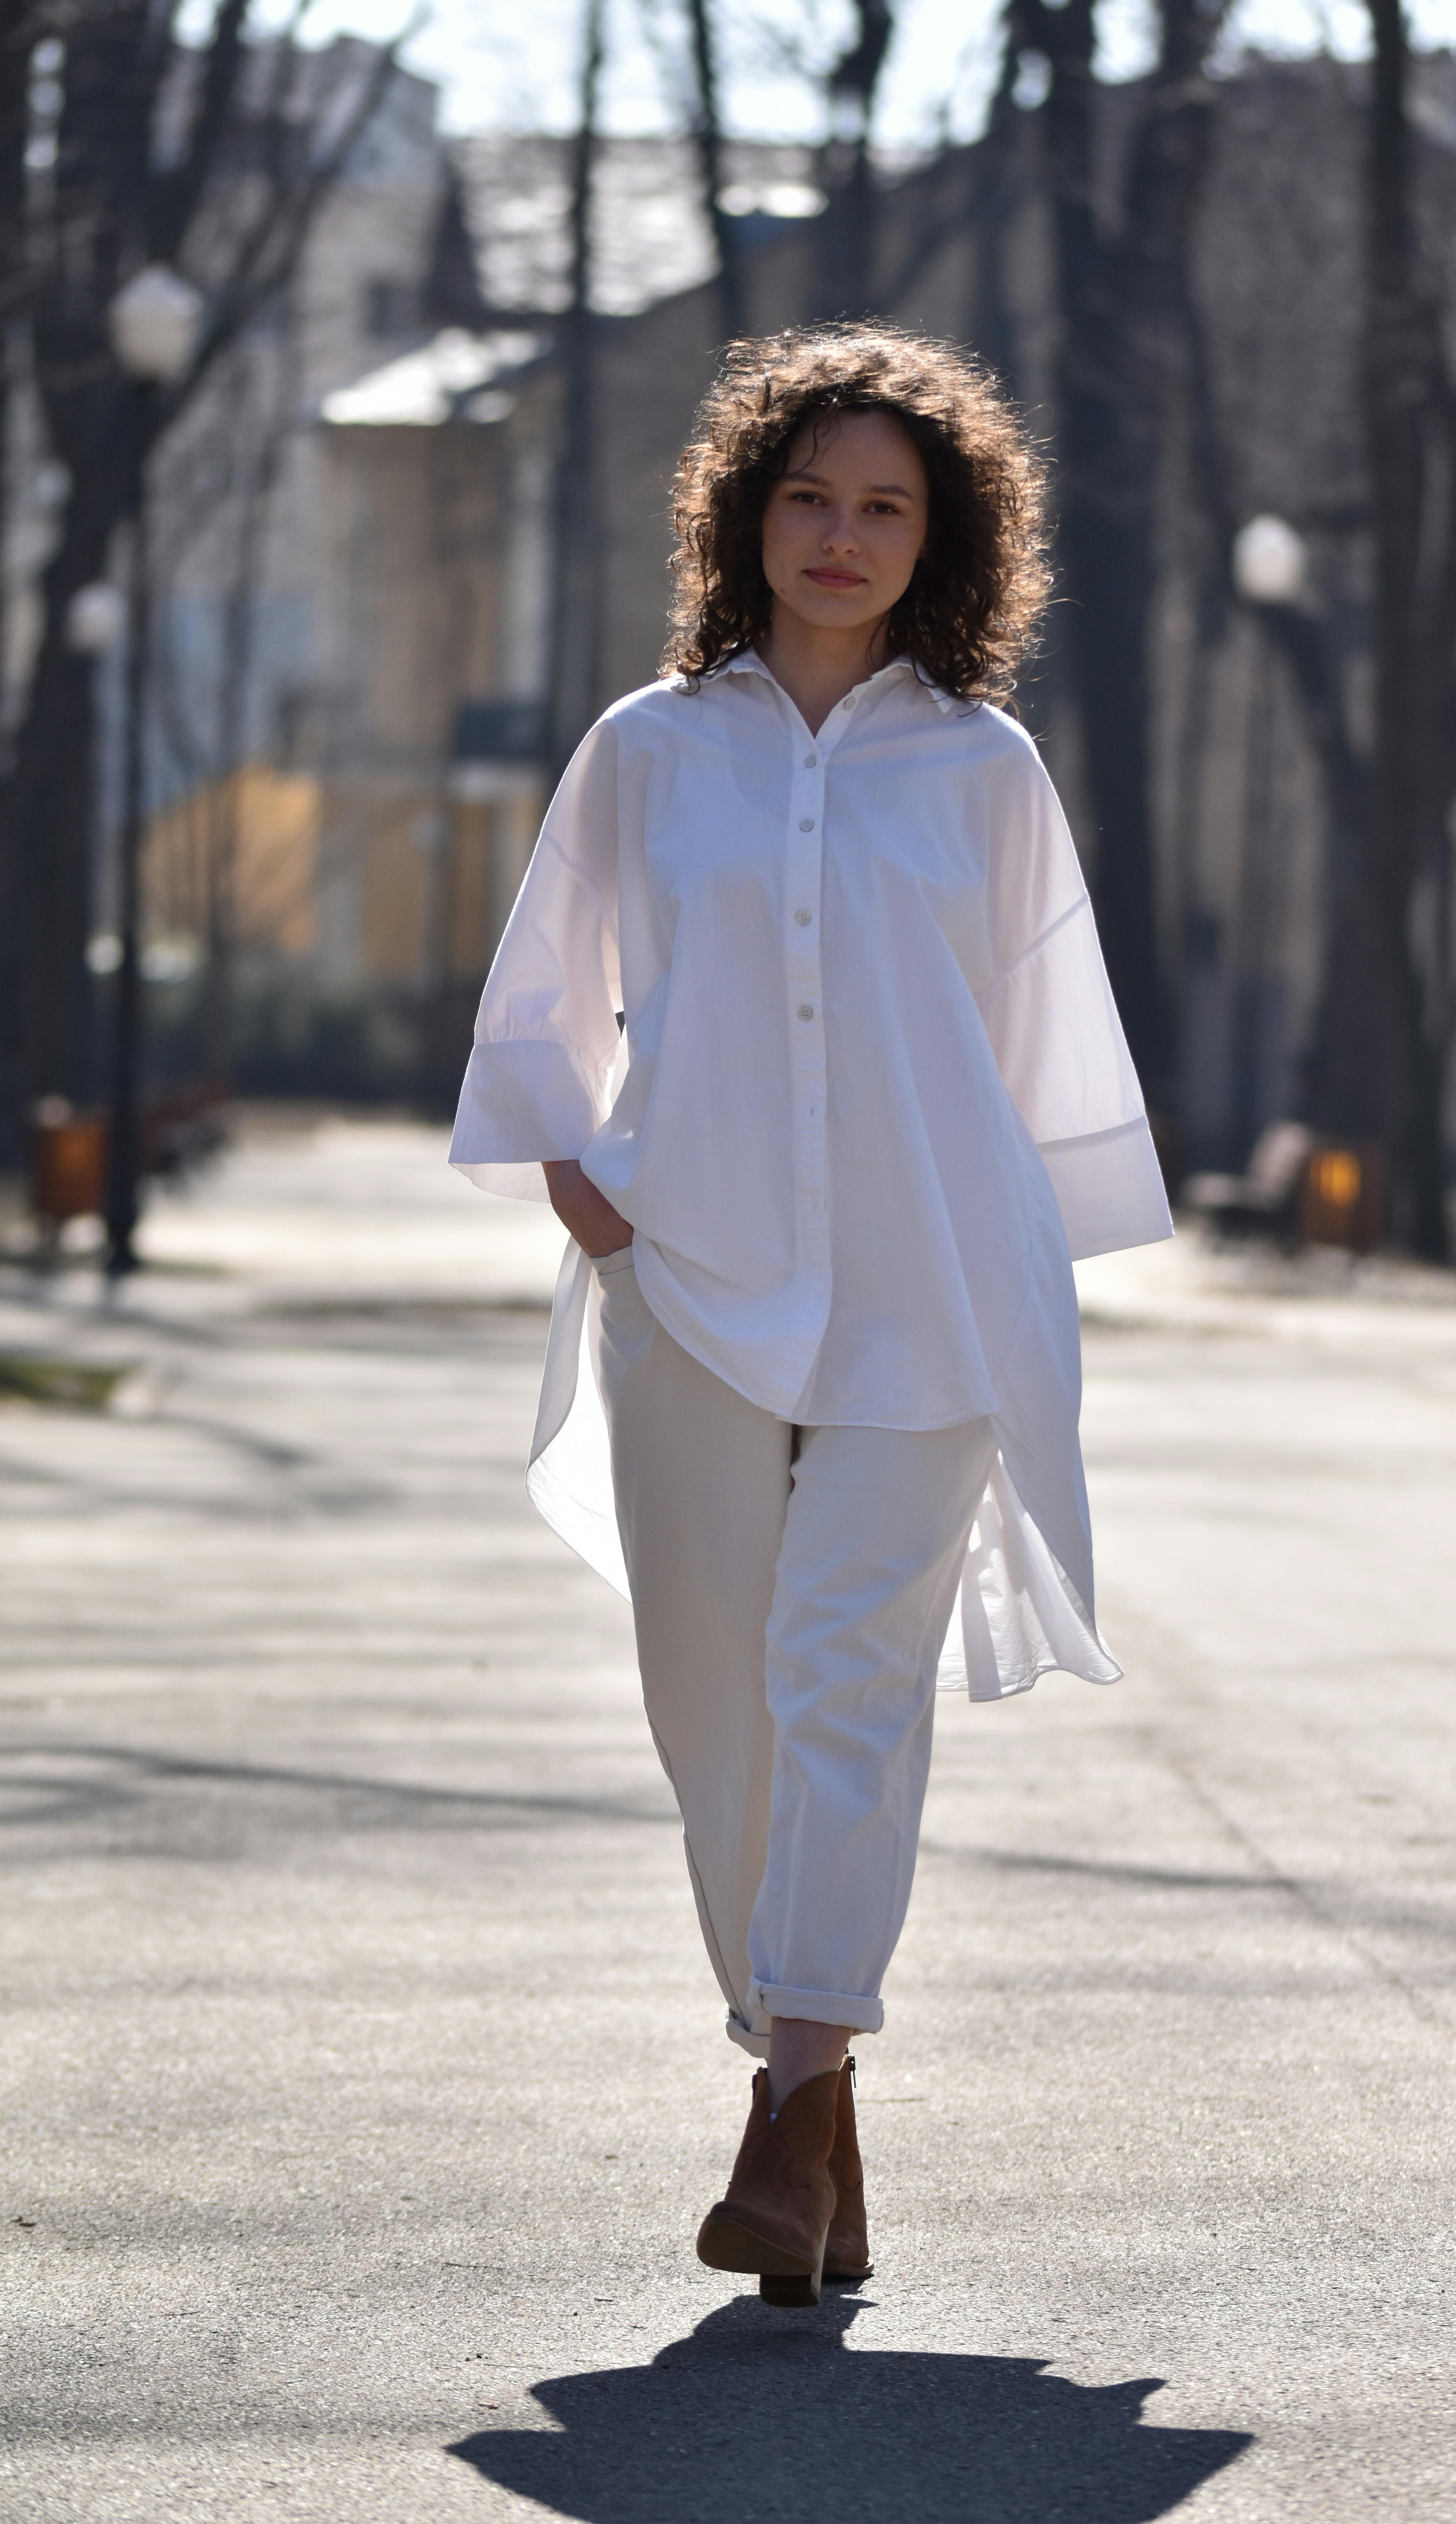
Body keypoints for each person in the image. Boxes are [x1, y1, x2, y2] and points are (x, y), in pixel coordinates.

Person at [448, 323, 1172, 2307]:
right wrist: (587, 1198)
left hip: (932, 1285)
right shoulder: (645, 748)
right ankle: (818, 2092)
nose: (841, 537)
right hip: (684, 1272)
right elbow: (540, 1006)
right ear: (747, 513)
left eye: (885, 507)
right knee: (714, 1703)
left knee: (846, 1672)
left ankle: (781, 2110)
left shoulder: (987, 768)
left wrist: (1029, 1243)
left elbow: (1040, 1048)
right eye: (809, 497)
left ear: (940, 540)